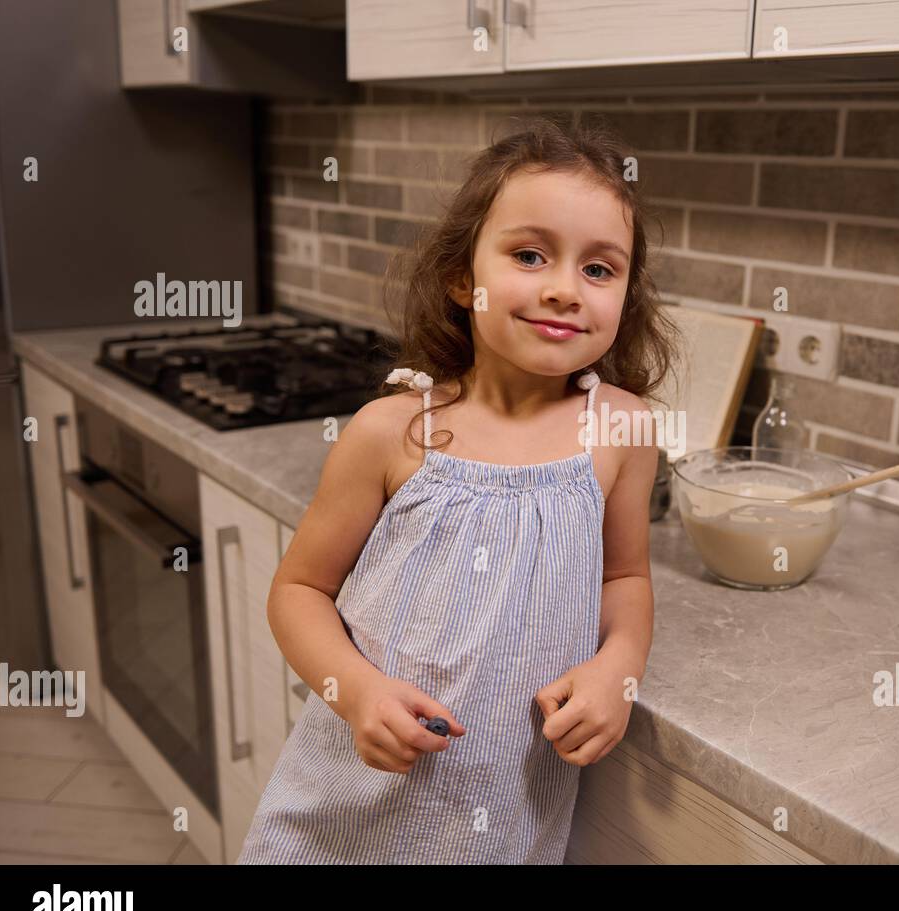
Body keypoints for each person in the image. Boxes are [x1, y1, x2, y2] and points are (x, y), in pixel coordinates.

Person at [237, 117, 681, 864]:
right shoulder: (392, 430)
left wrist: (620, 667)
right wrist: (357, 693)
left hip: (501, 821)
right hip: (342, 808)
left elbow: (625, 576)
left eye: (599, 270)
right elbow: (298, 591)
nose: (565, 290)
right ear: (461, 276)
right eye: (530, 255)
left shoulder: (622, 430)